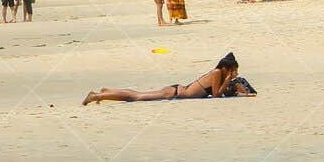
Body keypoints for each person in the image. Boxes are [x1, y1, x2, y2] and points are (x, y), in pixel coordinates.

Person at [81, 52, 253, 104]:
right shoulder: (216, 73)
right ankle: (97, 96)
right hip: (174, 93)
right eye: (234, 70)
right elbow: (216, 95)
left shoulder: (217, 74)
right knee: (136, 97)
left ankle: (107, 91)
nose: (235, 73)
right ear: (226, 68)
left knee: (137, 94)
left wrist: (234, 87)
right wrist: (228, 80)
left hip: (177, 91)